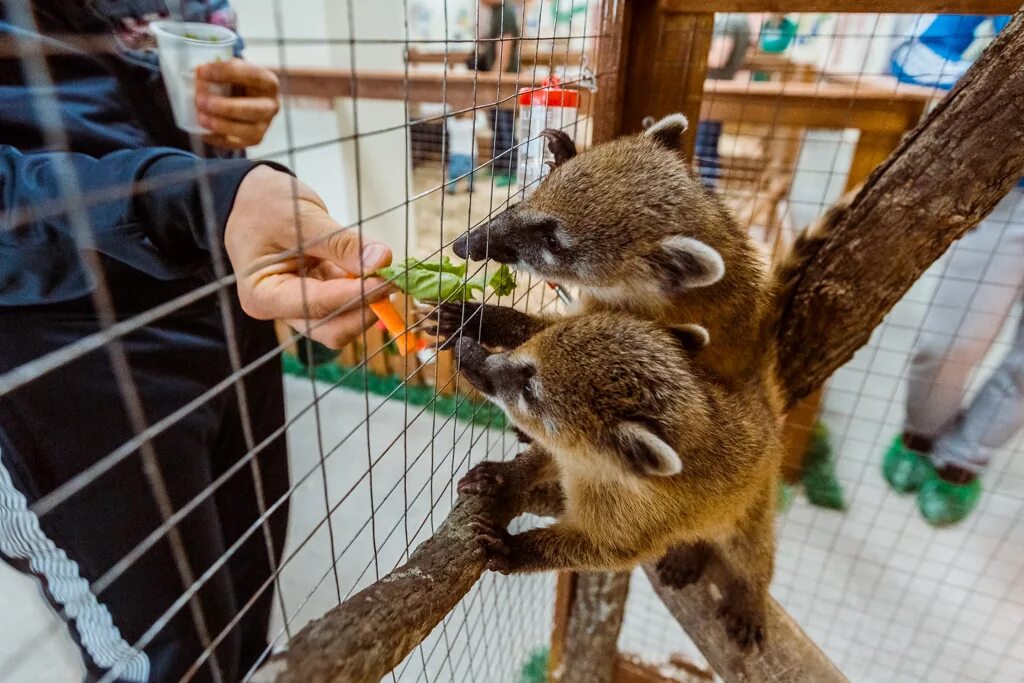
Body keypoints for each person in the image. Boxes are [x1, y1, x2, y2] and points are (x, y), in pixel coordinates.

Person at [0, 2, 392, 681]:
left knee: (244, 593)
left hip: (215, 275)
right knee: (172, 654)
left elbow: (199, 44)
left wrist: (238, 101)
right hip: (55, 335)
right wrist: (190, 201)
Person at [882, 14, 1023, 526]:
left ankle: (964, 458)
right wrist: (1000, 85)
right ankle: (921, 435)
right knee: (948, 343)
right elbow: (911, 54)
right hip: (1009, 189)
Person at [478, 0, 520, 188]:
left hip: (503, 82)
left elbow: (505, 50)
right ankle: (498, 165)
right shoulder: (496, 12)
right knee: (496, 124)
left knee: (505, 126)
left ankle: (511, 169)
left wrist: (495, 80)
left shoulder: (505, 12)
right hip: (497, 80)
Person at [446, 110, 478, 194]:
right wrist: (478, 113)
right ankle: (470, 186)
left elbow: (448, 116)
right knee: (471, 172)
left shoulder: (452, 124)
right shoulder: (470, 124)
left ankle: (451, 188)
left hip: (456, 152)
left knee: (453, 172)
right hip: (469, 153)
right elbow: (482, 123)